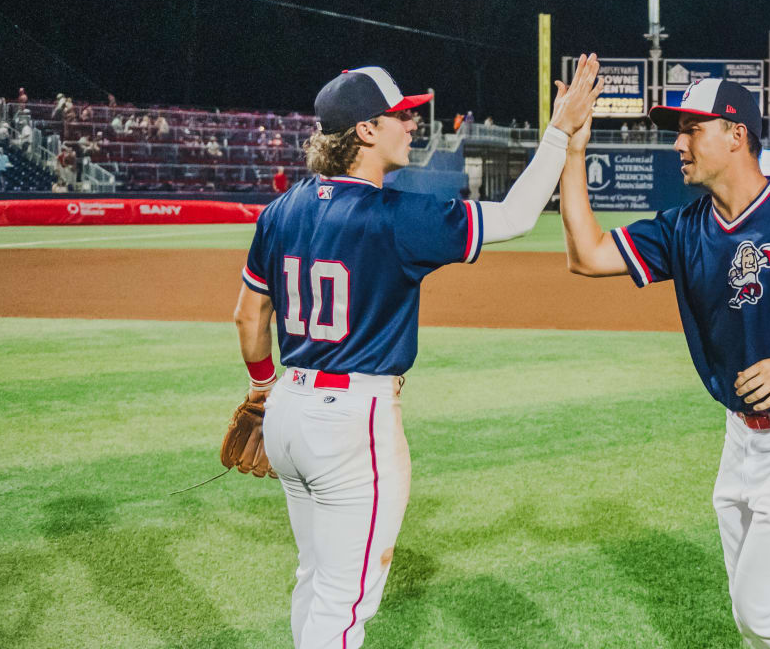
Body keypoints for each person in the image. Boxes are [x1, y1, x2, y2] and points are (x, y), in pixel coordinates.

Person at [234, 58, 603, 648]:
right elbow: (514, 217)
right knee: (344, 604)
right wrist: (559, 131)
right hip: (352, 423)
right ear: (364, 132)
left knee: (316, 579)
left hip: (287, 411)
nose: (413, 126)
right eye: (400, 117)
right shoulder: (396, 216)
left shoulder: (282, 209)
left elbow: (249, 315)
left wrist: (259, 386)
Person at [558, 78, 770, 648]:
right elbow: (586, 257)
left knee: (767, 613)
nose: (679, 144)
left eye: (692, 129)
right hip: (741, 440)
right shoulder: (683, 227)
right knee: (753, 619)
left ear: (737, 134)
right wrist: (572, 149)